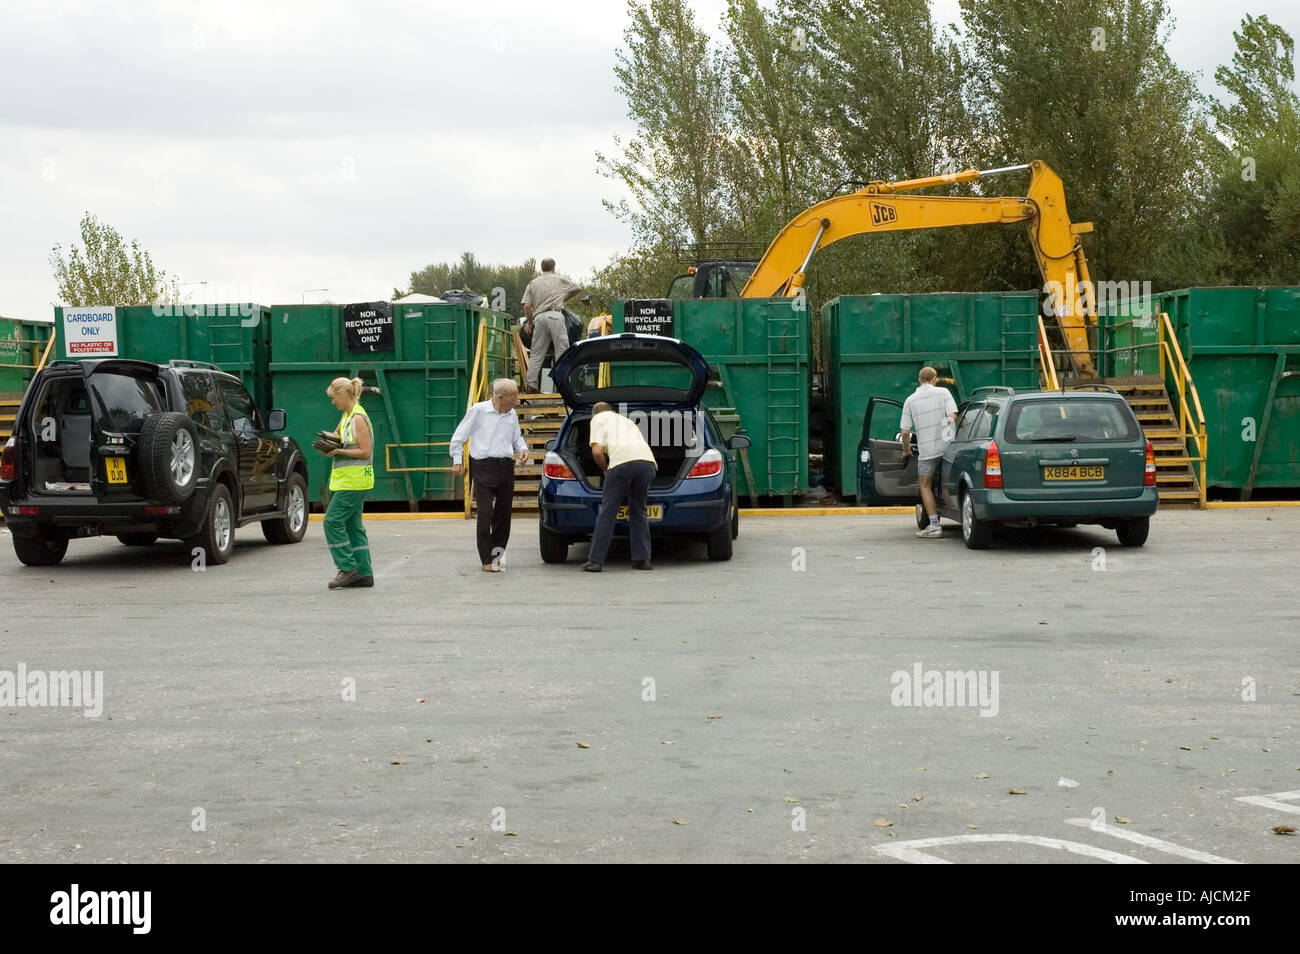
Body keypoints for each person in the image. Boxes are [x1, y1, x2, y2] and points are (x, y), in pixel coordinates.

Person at [449, 378, 530, 572]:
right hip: (483, 466)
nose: (516, 400)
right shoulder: (479, 411)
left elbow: (516, 437)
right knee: (485, 514)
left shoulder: (511, 414)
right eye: (513, 397)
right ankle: (486, 559)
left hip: (505, 466)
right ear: (501, 397)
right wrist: (458, 461)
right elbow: (458, 437)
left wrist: (523, 448)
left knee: (504, 515)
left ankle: (497, 557)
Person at [582, 401, 657, 572]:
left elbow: (597, 451)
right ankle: (642, 560)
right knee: (638, 511)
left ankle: (595, 561)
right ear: (613, 411)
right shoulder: (627, 421)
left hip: (622, 464)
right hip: (647, 463)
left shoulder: (598, 419)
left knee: (608, 512)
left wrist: (605, 469)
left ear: (595, 414)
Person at [323, 377, 375, 588]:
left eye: (334, 398)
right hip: (350, 481)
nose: (332, 402)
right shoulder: (347, 417)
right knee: (353, 528)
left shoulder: (357, 418)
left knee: (332, 522)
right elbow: (336, 436)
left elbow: (365, 451)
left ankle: (347, 568)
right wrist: (328, 443)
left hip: (354, 482)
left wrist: (337, 451)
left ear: (344, 395)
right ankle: (364, 573)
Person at [899, 366, 958, 539]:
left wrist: (907, 450)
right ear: (934, 379)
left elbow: (904, 432)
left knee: (925, 486)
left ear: (919, 380)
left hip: (927, 452)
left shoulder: (910, 400)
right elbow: (953, 415)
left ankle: (934, 525)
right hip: (947, 449)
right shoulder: (944, 393)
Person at [521, 258, 582, 393]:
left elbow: (527, 306)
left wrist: (530, 322)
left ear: (541, 268)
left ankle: (531, 385)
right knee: (561, 351)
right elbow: (578, 288)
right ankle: (563, 384)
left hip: (539, 317)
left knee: (537, 353)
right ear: (554, 268)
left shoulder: (533, 283)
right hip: (555, 316)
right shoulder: (559, 279)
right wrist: (563, 298)